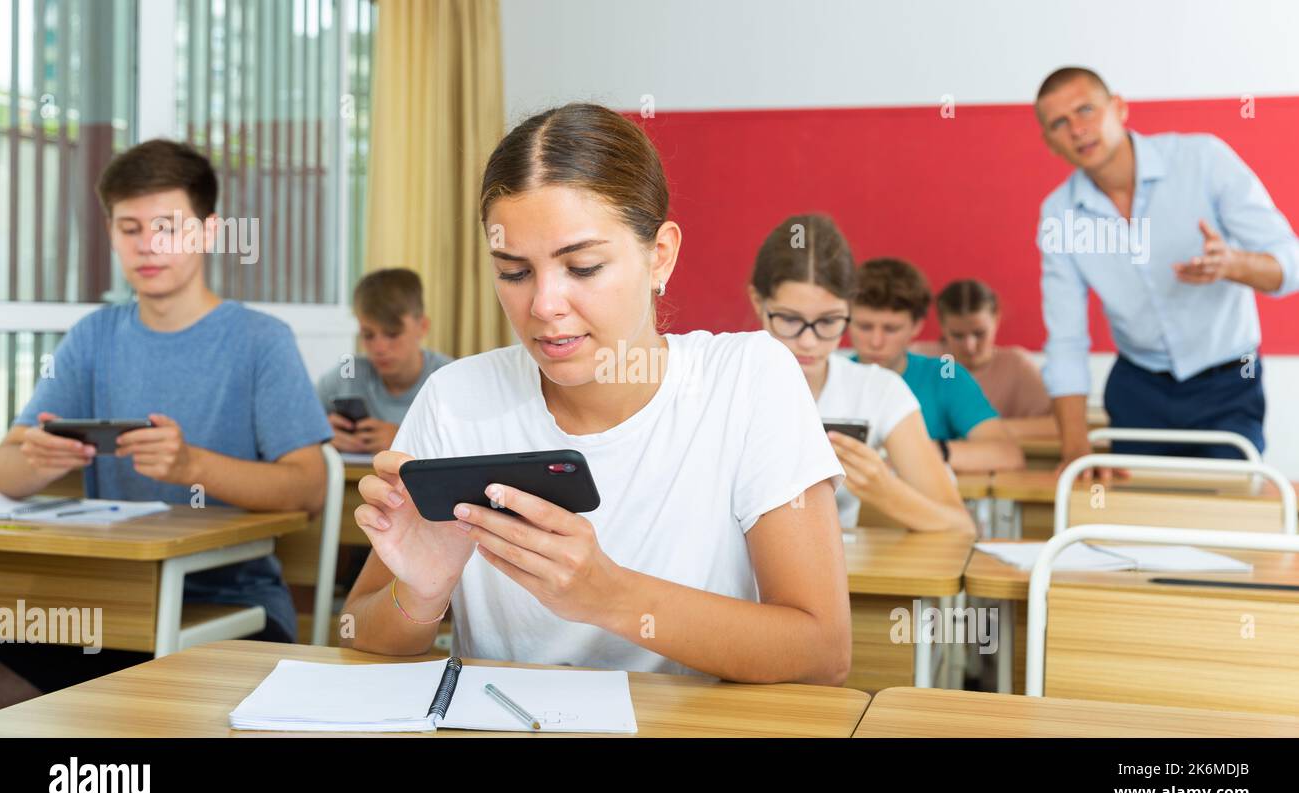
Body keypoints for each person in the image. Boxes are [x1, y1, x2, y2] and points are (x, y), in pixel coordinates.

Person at [342, 103, 851, 685]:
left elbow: (822, 652)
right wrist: (422, 593)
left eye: (582, 267)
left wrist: (607, 596)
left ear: (660, 255)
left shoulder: (749, 379)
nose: (543, 305)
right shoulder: (456, 399)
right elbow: (358, 632)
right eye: (514, 272)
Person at [0, 140, 330, 699]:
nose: (148, 246)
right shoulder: (92, 338)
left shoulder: (261, 342)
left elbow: (310, 487)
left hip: (231, 608)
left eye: (169, 228)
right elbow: (7, 470)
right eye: (130, 228)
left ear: (209, 232)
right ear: (110, 233)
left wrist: (192, 464)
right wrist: (35, 460)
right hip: (105, 605)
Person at [1035, 66, 1299, 474]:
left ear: (1118, 107)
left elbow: (1290, 264)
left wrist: (1234, 264)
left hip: (1229, 382)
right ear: (1049, 142)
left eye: (1085, 110)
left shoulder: (1203, 159)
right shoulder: (1059, 213)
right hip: (1138, 387)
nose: (1077, 130)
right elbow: (1066, 340)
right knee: (1132, 518)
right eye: (1059, 123)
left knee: (1228, 512)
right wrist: (1074, 449)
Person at [748, 214, 972, 532]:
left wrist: (884, 489)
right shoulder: (723, 383)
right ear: (758, 301)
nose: (809, 341)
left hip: (834, 575)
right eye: (789, 319)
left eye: (828, 322)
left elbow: (961, 526)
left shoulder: (878, 390)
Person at [848, 257, 1025, 473]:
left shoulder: (945, 376)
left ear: (916, 326)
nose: (876, 342)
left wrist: (922, 452)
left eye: (891, 329)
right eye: (864, 327)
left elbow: (1006, 454)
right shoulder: (828, 376)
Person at [316, 267, 452, 454]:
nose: (379, 348)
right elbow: (292, 429)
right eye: (368, 335)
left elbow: (471, 451)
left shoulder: (449, 378)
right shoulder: (348, 372)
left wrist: (405, 439)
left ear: (423, 326)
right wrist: (318, 436)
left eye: (392, 334)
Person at [912, 279, 1056, 439]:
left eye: (979, 333)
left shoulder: (1016, 364)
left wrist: (981, 426)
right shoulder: (921, 361)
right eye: (957, 335)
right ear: (942, 325)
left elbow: (1058, 425)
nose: (969, 346)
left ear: (996, 319)